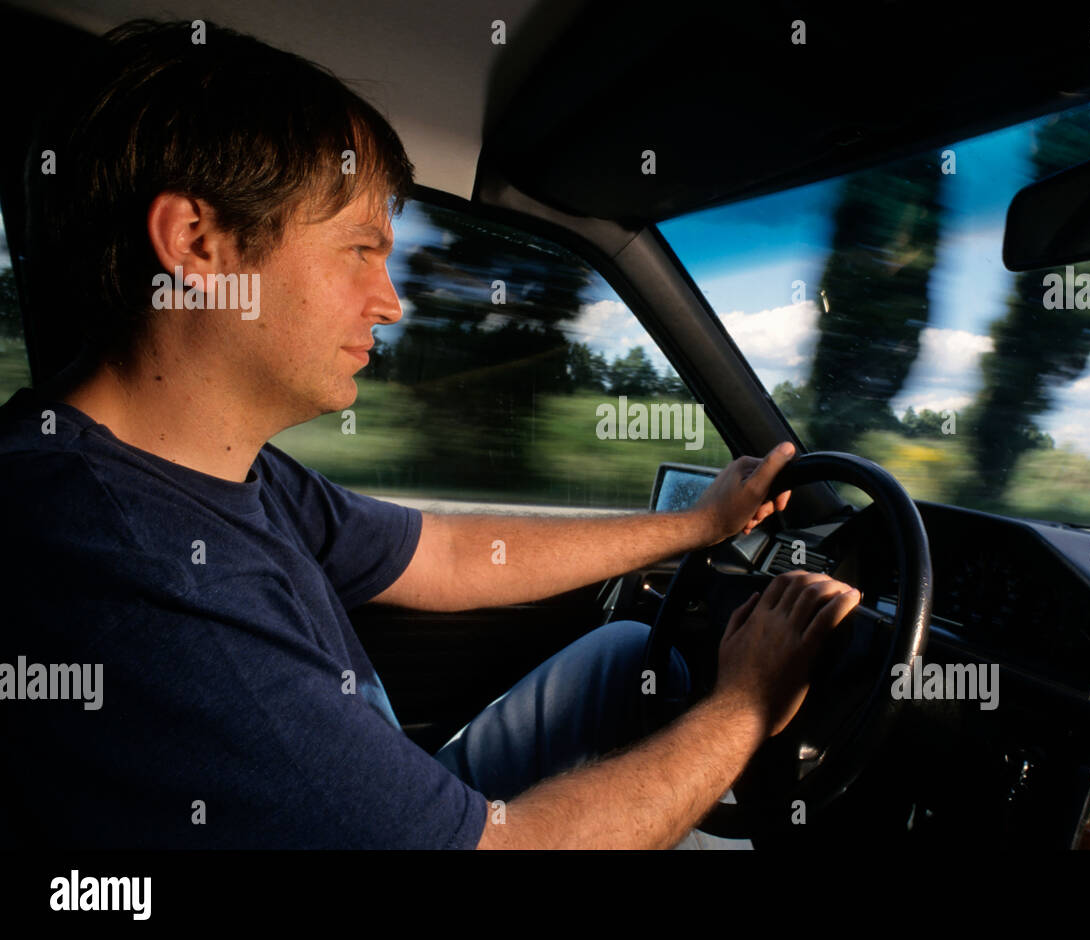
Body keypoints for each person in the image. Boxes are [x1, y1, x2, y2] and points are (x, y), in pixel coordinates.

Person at [0, 19, 860, 849]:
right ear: (198, 243)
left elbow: (445, 553)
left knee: (622, 658)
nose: (390, 301)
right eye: (360, 250)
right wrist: (747, 704)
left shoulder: (215, 466)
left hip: (391, 794)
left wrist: (698, 527)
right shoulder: (126, 568)